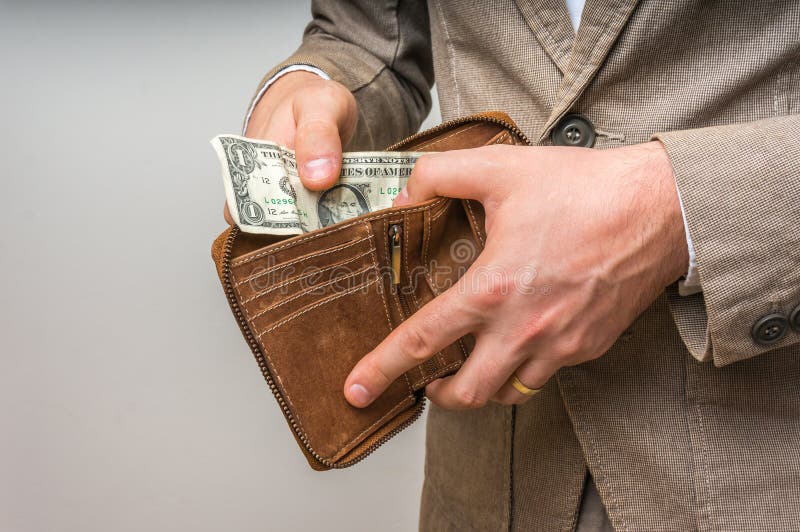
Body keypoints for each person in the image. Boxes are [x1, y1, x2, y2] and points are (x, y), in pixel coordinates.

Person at [230, 1, 800, 530]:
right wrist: (315, 83)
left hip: (762, 467)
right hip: (486, 477)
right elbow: (369, 37)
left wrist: (674, 206)